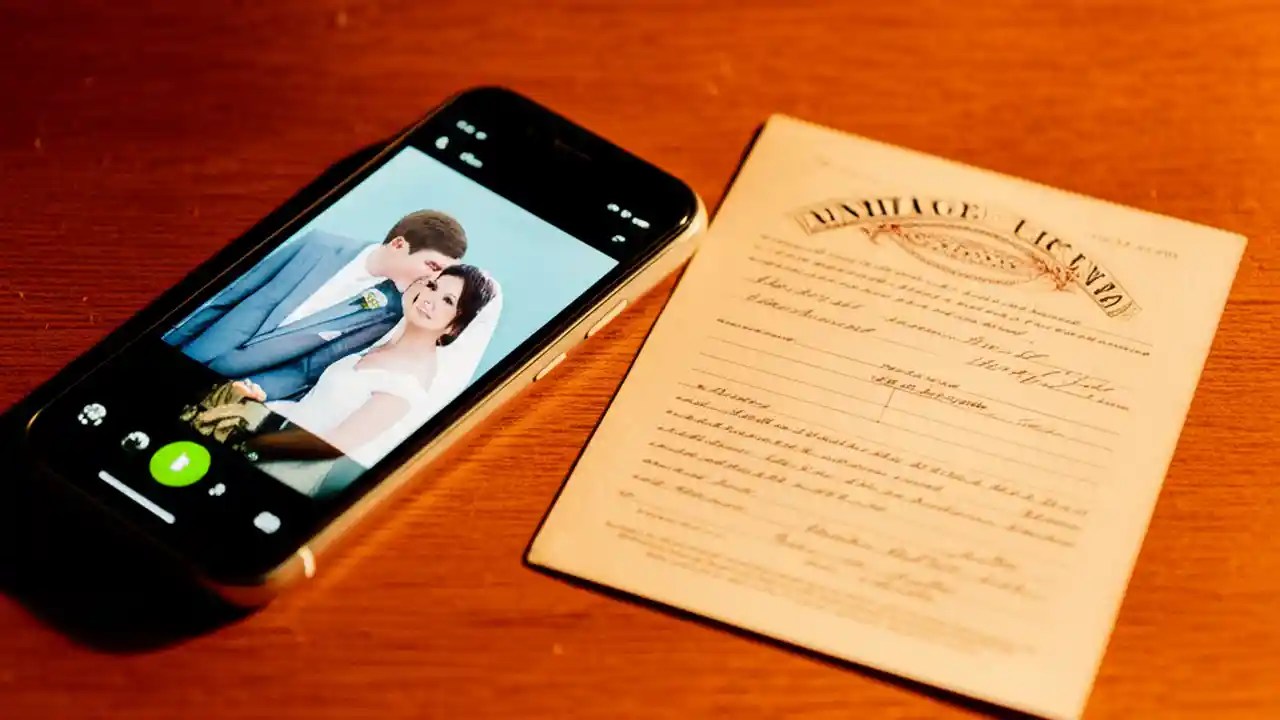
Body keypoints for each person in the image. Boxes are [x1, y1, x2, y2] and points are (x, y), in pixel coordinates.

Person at [242, 264, 500, 496]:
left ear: (456, 326)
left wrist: (254, 442)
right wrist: (261, 405)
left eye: (447, 300)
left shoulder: (407, 385)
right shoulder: (385, 342)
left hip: (285, 473)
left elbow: (330, 446)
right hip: (271, 444)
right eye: (433, 286)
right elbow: (316, 407)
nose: (430, 299)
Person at [163, 210, 468, 400]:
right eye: (432, 265)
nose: (433, 278)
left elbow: (310, 369)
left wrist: (259, 390)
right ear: (399, 245)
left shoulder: (389, 314)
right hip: (189, 354)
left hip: (233, 391)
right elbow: (233, 296)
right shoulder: (318, 243)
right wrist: (166, 343)